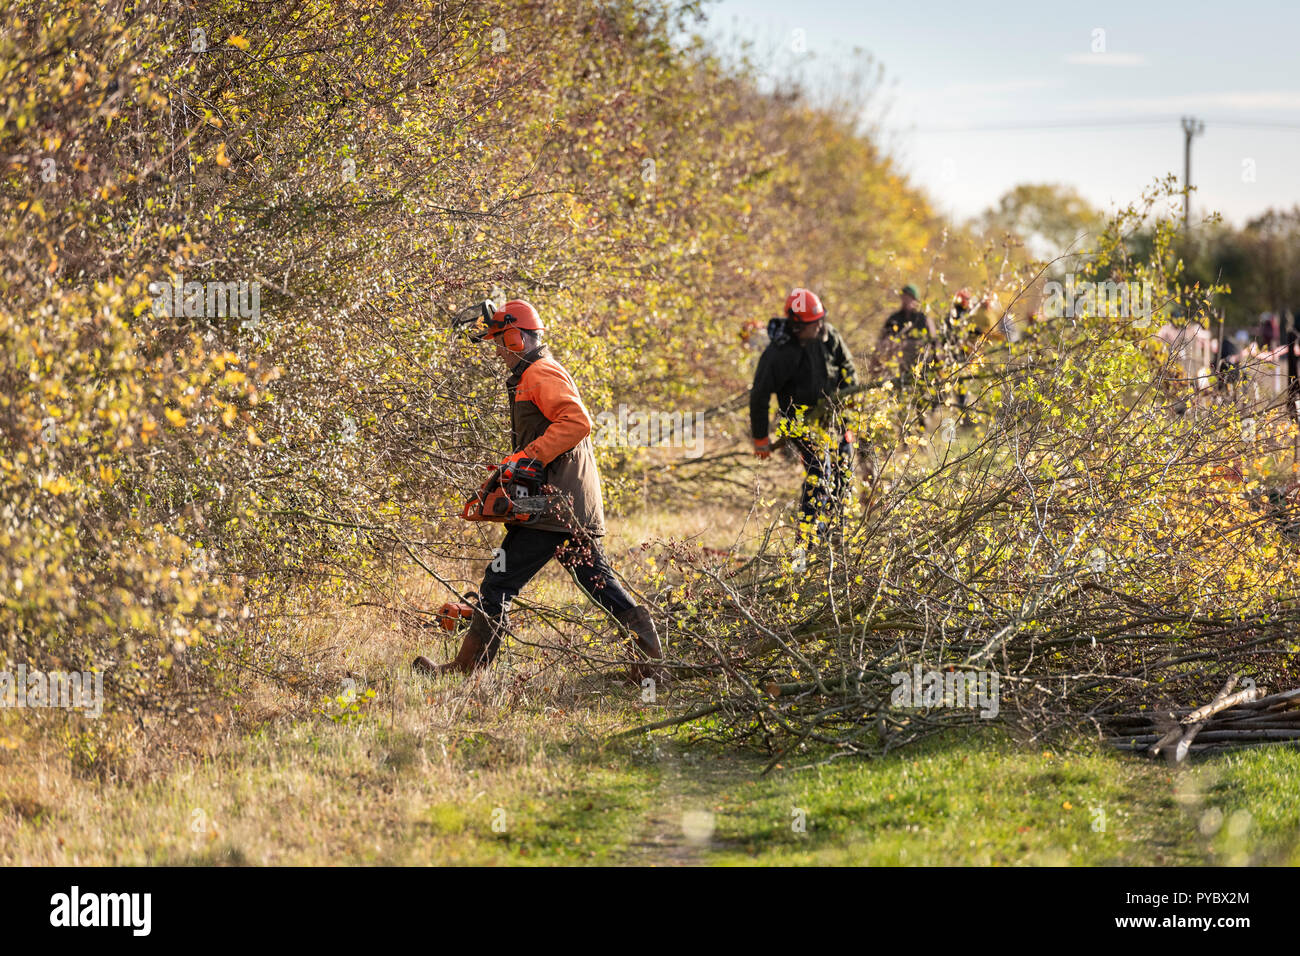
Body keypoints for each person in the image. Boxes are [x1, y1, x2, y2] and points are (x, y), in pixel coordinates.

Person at [413, 299, 663, 679]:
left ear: (516, 338)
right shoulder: (534, 373)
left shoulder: (541, 372)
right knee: (600, 584)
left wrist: (528, 456)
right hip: (566, 505)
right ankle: (651, 670)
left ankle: (463, 671)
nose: (497, 351)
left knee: (498, 581)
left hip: (552, 508)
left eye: (500, 341)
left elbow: (577, 422)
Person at [750, 287, 858, 542]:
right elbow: (759, 395)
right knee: (821, 474)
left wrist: (849, 416)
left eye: (821, 320)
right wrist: (760, 438)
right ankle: (806, 544)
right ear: (797, 326)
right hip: (799, 424)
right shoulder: (778, 353)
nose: (820, 326)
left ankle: (835, 539)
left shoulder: (828, 335)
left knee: (843, 472)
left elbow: (848, 369)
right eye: (814, 323)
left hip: (834, 420)